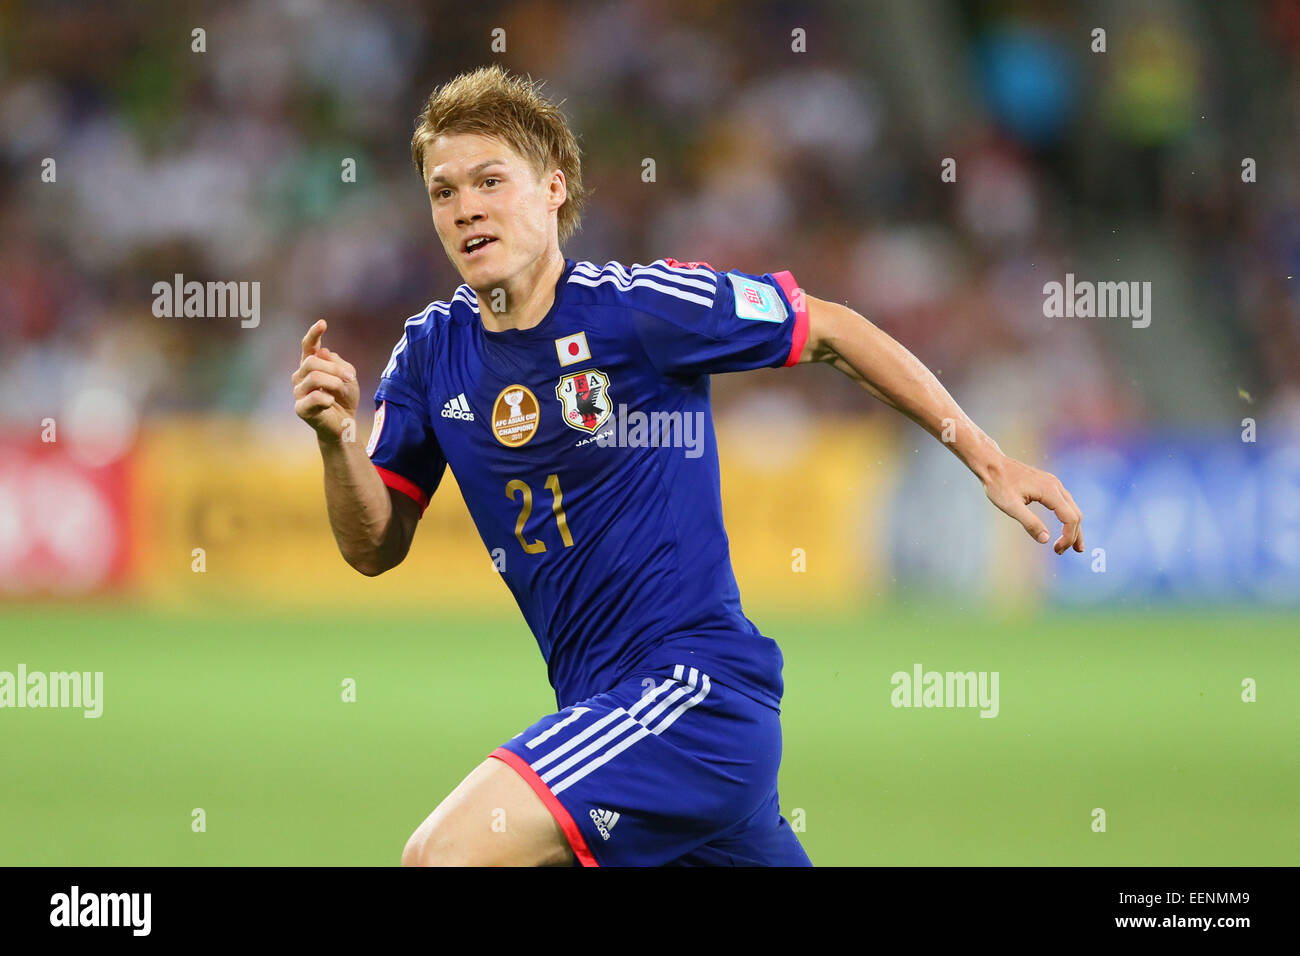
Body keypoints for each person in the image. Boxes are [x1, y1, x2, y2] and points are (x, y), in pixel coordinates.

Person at [291, 65, 1084, 867]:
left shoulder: (637, 310)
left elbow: (830, 329)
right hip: (620, 727)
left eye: (490, 181)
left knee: (442, 858)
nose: (465, 208)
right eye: (443, 191)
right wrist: (336, 442)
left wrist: (989, 459)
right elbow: (374, 545)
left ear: (553, 190)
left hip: (693, 698)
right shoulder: (430, 353)